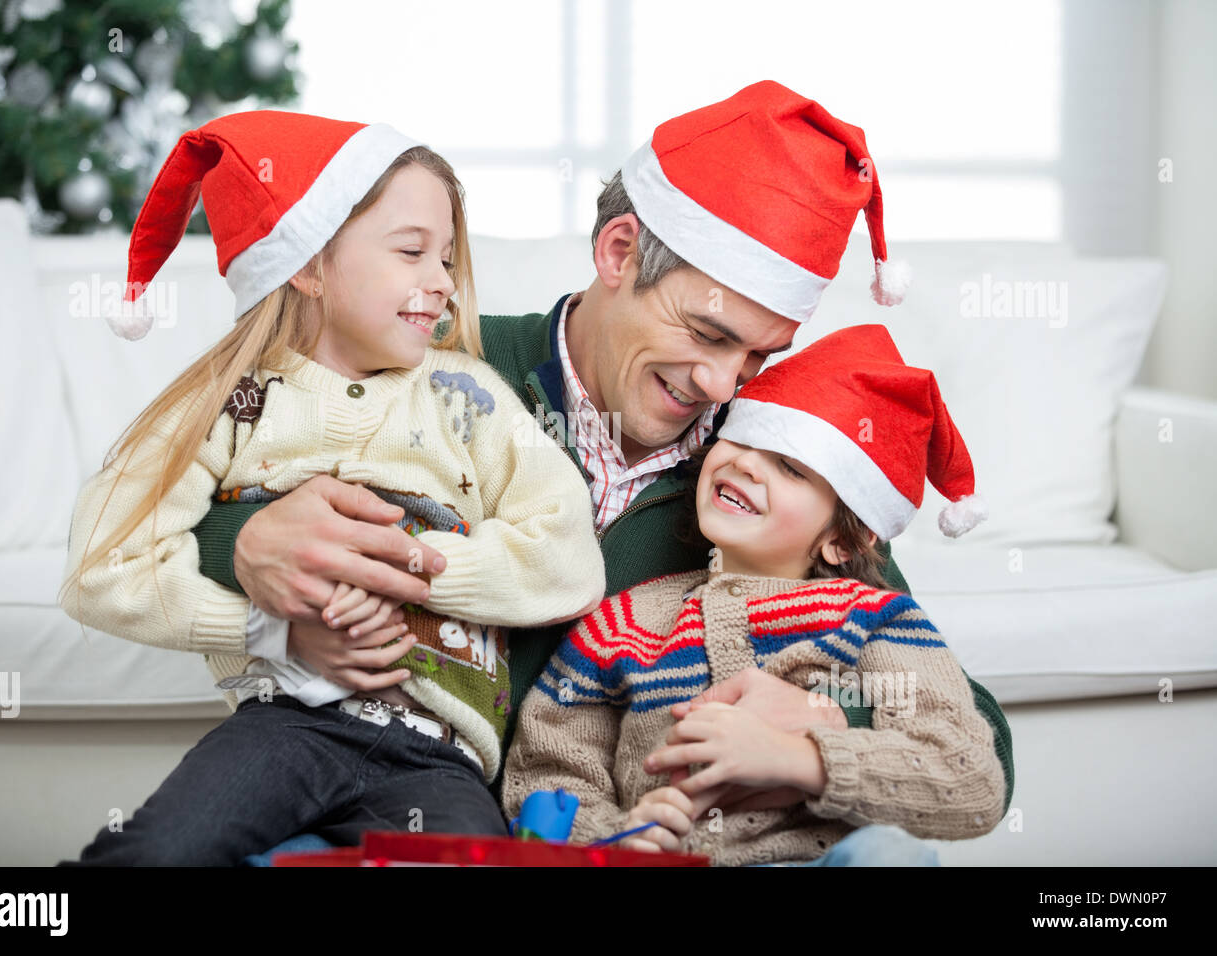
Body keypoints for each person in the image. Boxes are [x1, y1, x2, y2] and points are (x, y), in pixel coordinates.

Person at [189, 82, 1015, 861]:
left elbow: (975, 729)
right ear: (619, 251)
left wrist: (814, 721)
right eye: (710, 333)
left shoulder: (770, 459)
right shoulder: (446, 373)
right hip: (403, 803)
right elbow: (187, 503)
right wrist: (244, 540)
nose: (725, 386)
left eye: (762, 355)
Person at [55, 110, 605, 864]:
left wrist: (414, 565)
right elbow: (103, 564)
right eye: (412, 252)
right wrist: (263, 630)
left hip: (437, 755)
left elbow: (569, 554)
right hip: (286, 726)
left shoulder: (466, 396)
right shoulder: (231, 402)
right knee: (155, 853)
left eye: (447, 259)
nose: (441, 283)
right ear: (309, 267)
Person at [502, 324, 1006, 864]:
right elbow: (547, 769)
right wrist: (620, 835)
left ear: (843, 539)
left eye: (789, 466)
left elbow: (969, 776)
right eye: (742, 439)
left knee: (891, 854)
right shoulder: (622, 623)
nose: (744, 462)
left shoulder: (874, 621)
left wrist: (803, 760)